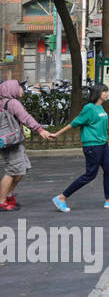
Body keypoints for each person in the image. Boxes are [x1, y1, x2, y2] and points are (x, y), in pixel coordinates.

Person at [51, 85, 109, 211]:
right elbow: (75, 122)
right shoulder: (89, 108)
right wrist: (57, 134)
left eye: (107, 91)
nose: (107, 93)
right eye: (104, 91)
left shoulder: (100, 107)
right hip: (92, 145)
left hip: (102, 144)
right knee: (90, 174)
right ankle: (61, 197)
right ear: (98, 93)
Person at [0, 80, 54, 211]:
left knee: (22, 168)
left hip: (11, 141)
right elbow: (25, 117)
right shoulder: (13, 103)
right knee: (12, 170)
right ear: (12, 89)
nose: (21, 89)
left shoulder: (3, 102)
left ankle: (9, 194)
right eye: (19, 87)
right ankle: (2, 201)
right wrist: (40, 130)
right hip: (11, 142)